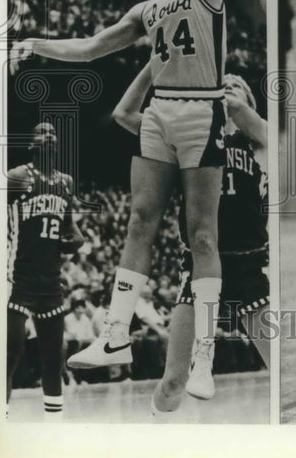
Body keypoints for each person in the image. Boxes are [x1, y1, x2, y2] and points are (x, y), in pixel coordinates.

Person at [10, 0, 251, 399]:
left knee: (201, 235)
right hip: (159, 114)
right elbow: (91, 47)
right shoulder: (147, 9)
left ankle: (202, 360)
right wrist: (34, 42)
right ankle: (115, 334)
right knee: (140, 220)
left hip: (201, 112)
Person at [112, 64, 269, 408]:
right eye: (221, 84)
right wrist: (156, 65)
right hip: (199, 268)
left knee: (283, 368)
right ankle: (156, 426)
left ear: (249, 103)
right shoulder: (186, 140)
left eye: (235, 86)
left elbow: (261, 127)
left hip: (251, 269)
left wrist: (228, 103)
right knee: (173, 382)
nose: (226, 88)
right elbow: (123, 114)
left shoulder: (260, 142)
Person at [7, 123, 84, 418]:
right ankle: (0, 421)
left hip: (51, 282)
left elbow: (70, 228)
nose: (49, 135)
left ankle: (55, 425)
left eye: (52, 132)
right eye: (41, 132)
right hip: (17, 279)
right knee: (8, 357)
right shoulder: (17, 177)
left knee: (53, 361)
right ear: (31, 145)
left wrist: (75, 240)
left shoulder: (66, 183)